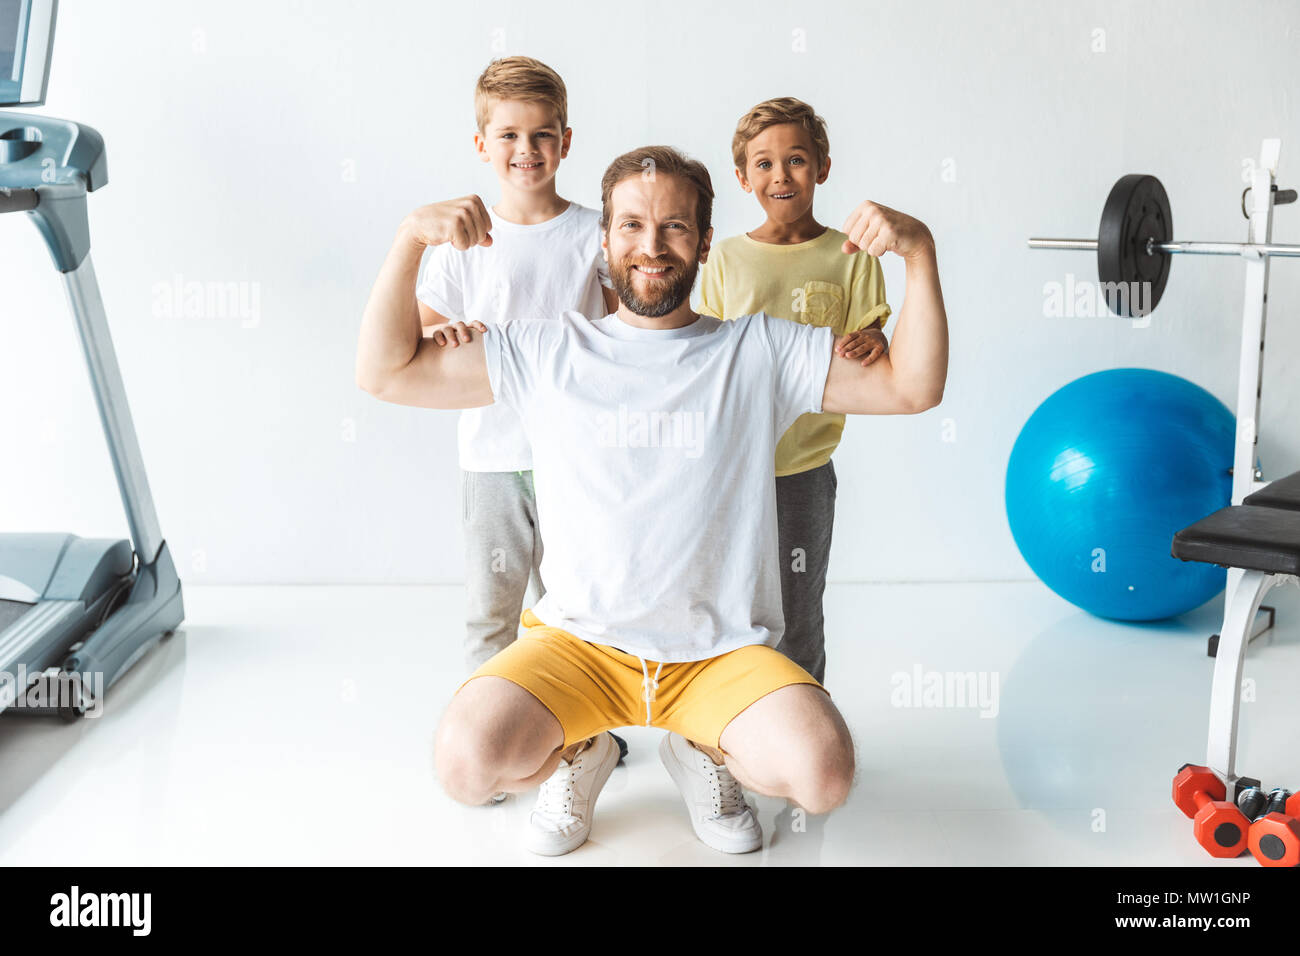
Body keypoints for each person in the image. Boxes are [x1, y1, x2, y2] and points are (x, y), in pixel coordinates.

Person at [356, 145, 949, 856]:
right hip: (578, 647)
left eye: (674, 227)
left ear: (703, 242)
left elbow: (912, 388)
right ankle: (585, 753)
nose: (651, 246)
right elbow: (383, 372)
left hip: (720, 655)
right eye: (632, 226)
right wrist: (408, 242)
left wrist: (919, 254)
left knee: (822, 776)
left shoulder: (756, 350)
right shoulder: (545, 351)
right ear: (603, 240)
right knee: (464, 765)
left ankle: (700, 746)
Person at [412, 56, 628, 805]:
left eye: (542, 135)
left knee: (574, 603)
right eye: (508, 135)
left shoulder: (595, 234)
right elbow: (426, 329)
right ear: (481, 145)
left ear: (567, 142)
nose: (526, 150)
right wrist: (449, 333)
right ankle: (489, 739)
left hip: (577, 459)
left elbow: (625, 327)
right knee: (493, 606)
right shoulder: (465, 237)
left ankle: (586, 734)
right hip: (494, 459)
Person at [698, 96, 890, 685]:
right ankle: (723, 728)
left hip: (804, 469)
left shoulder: (851, 256)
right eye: (764, 164)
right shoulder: (726, 258)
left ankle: (805, 728)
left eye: (797, 160)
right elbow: (699, 350)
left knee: (800, 610)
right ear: (742, 177)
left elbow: (872, 333)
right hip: (728, 466)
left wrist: (875, 341)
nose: (781, 176)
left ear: (822, 167)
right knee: (724, 606)